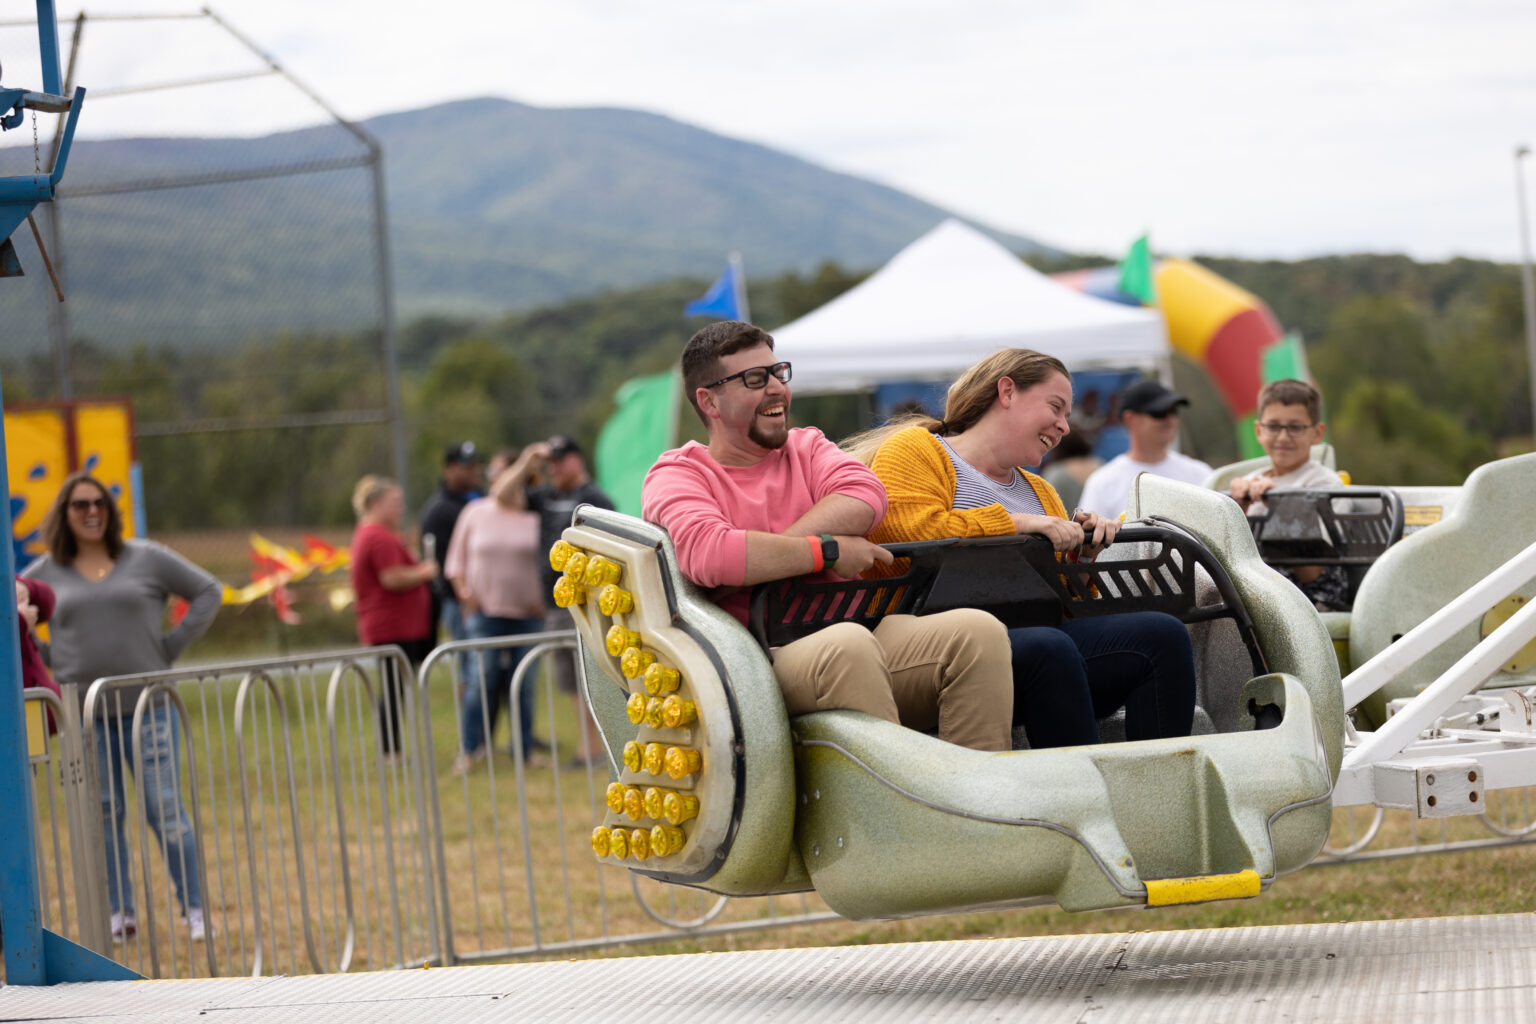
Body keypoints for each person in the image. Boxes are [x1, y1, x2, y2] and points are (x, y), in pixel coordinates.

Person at [641, 321, 1013, 752]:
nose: (776, 389)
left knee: (977, 632)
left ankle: (978, 803)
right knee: (848, 646)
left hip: (858, 631)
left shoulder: (807, 446)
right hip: (760, 657)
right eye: (754, 380)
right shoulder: (679, 473)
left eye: (779, 373)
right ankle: (903, 809)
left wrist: (769, 559)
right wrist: (826, 551)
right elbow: (712, 556)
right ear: (709, 401)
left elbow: (867, 498)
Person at [849, 349, 1198, 748]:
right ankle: (1079, 800)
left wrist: (1084, 556)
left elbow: (1066, 604)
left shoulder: (1041, 491)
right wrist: (1019, 524)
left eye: (1067, 415)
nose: (1065, 426)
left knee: (1163, 635)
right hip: (938, 644)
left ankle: (1163, 787)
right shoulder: (917, 449)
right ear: (1007, 391)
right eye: (1055, 407)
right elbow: (906, 535)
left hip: (1040, 646)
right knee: (1048, 646)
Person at [22, 472, 221, 943]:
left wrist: (168, 647)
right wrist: (50, 661)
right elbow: (17, 618)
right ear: (64, 514)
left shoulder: (146, 557)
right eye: (80, 505)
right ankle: (120, 914)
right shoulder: (45, 572)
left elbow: (208, 591)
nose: (92, 511)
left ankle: (194, 909)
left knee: (164, 807)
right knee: (105, 812)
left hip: (148, 708)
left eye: (101, 503)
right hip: (84, 714)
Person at [445, 447, 548, 773]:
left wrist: (545, 599)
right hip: (485, 614)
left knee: (524, 684)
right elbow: (455, 562)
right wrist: (464, 593)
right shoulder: (476, 511)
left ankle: (524, 750)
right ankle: (470, 749)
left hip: (528, 616)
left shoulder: (536, 513)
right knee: (480, 681)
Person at [526, 434, 614, 767]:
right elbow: (503, 497)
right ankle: (587, 748)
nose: (553, 469)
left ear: (577, 460)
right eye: (549, 463)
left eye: (559, 461)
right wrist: (526, 460)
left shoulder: (595, 499)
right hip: (554, 604)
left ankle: (601, 747)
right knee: (570, 682)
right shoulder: (546, 495)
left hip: (585, 604)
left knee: (592, 679)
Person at [1229, 378, 1350, 611]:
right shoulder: (1250, 480)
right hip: (1257, 588)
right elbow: (1230, 552)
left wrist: (1280, 505)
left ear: (1317, 433)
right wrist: (1236, 507)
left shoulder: (1324, 483)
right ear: (1258, 430)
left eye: (1295, 427)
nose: (1283, 437)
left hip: (1310, 597)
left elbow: (1316, 566)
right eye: (1273, 426)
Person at [350, 475, 437, 759]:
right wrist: (424, 572)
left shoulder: (378, 534)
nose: (400, 508)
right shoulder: (377, 536)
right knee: (392, 689)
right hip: (390, 626)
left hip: (397, 624)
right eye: (394, 502)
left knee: (394, 688)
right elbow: (391, 578)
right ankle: (391, 750)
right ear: (376, 504)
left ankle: (393, 748)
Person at [1078, 379, 1212, 519]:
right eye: (1159, 412)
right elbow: (1088, 537)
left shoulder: (1201, 474)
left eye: (1174, 411)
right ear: (1130, 419)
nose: (1170, 420)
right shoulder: (1102, 483)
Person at [419, 441, 483, 650]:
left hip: (486, 598)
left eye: (475, 465)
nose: (473, 471)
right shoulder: (439, 511)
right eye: (466, 466)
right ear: (449, 469)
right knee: (470, 664)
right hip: (458, 601)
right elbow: (438, 563)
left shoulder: (481, 499)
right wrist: (459, 595)